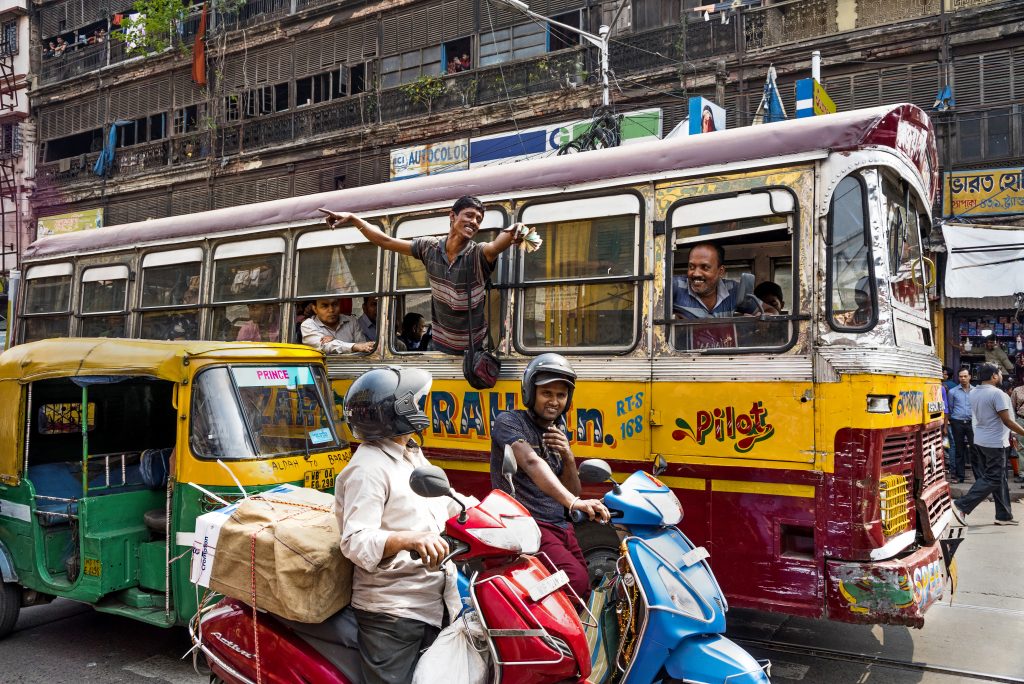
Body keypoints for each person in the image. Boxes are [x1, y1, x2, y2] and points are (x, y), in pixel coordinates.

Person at [335, 367, 467, 683]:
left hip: (435, 598)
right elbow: (356, 539)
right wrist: (407, 539)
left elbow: (446, 501)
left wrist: (490, 513)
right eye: (417, 403)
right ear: (400, 410)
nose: (423, 409)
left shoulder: (409, 454)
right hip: (393, 614)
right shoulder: (368, 469)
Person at [319, 196, 531, 354]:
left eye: (478, 219)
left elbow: (497, 246)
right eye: (469, 215)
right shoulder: (429, 247)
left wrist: (516, 229)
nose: (474, 222)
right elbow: (386, 241)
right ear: (452, 216)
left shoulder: (478, 253)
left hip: (474, 349)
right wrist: (354, 219)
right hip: (439, 346)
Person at [489, 353, 609, 602]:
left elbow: (572, 491)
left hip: (559, 526)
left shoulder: (556, 432)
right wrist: (575, 504)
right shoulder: (509, 422)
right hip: (528, 524)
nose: (554, 401)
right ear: (531, 394)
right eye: (547, 394)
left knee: (584, 585)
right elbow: (531, 462)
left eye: (561, 395)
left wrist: (567, 455)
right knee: (574, 581)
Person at [952, 364, 1024, 526]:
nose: (1001, 376)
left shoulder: (974, 392)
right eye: (999, 373)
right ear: (993, 376)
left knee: (1000, 478)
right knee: (994, 477)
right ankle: (962, 505)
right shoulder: (998, 394)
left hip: (981, 439)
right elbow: (1007, 420)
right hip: (995, 442)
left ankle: (1004, 515)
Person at [300, 297, 373, 354]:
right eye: (325, 306)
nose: (331, 310)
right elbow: (323, 346)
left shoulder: (351, 321)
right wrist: (354, 346)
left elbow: (363, 347)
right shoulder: (308, 325)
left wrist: (334, 340)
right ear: (315, 309)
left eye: (335, 304)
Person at [947, 368, 974, 483]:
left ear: (970, 377)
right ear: (958, 377)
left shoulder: (976, 391)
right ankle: (959, 476)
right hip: (957, 422)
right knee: (959, 450)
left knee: (975, 449)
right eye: (961, 376)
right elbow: (950, 408)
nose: (963, 378)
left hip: (972, 423)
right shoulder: (953, 392)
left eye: (965, 376)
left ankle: (979, 477)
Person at [1011, 382, 1024, 484]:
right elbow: (1012, 407)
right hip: (1021, 420)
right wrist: (1015, 422)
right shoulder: (1017, 390)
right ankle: (1022, 474)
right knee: (1021, 447)